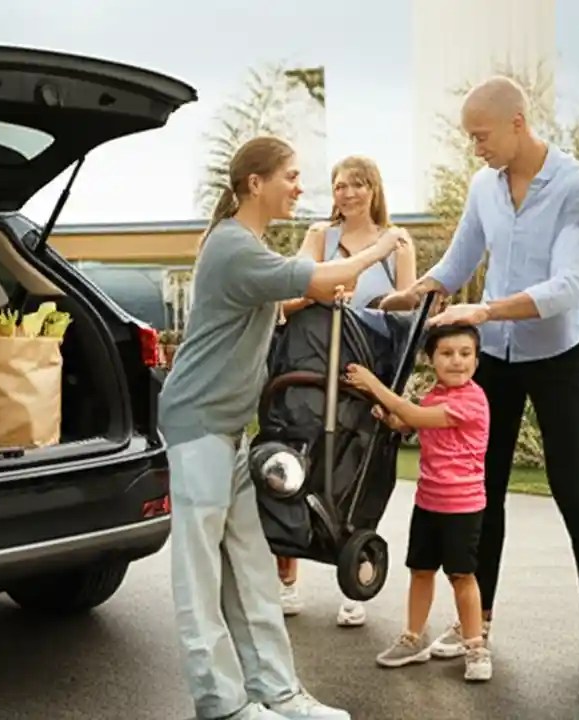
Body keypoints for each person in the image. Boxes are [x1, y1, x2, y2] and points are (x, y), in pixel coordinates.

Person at [378, 75, 579, 700]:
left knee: (575, 496)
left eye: (481, 135)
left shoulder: (576, 187)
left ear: (518, 123)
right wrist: (413, 293)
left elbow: (567, 287)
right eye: (470, 138)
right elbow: (459, 262)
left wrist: (484, 311)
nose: (476, 147)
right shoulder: (484, 186)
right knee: (479, 493)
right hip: (496, 356)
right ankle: (476, 626)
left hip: (558, 354)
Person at [158, 135, 405, 720]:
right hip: (198, 424)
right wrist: (383, 245)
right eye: (290, 176)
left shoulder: (250, 246)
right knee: (201, 575)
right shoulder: (231, 247)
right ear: (255, 183)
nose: (299, 187)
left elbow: (299, 298)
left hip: (228, 431)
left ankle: (279, 692)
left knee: (252, 569)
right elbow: (320, 277)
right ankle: (221, 703)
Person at [275, 155, 417, 624]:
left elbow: (405, 308)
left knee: (360, 462)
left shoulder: (397, 242)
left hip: (363, 369)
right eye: (340, 185)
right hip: (311, 364)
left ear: (374, 189)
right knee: (296, 457)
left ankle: (353, 575)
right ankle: (286, 580)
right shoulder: (320, 235)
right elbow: (290, 296)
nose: (349, 193)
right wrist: (321, 293)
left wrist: (385, 300)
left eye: (358, 184)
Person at [343, 323, 493, 683]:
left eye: (465, 353)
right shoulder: (434, 395)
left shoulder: (472, 400)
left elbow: (414, 415)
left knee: (461, 575)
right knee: (421, 571)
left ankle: (475, 646)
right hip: (428, 502)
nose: (456, 361)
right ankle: (413, 638)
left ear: (476, 360)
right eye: (446, 353)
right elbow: (410, 423)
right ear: (431, 359)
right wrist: (389, 418)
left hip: (462, 507)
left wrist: (373, 384)